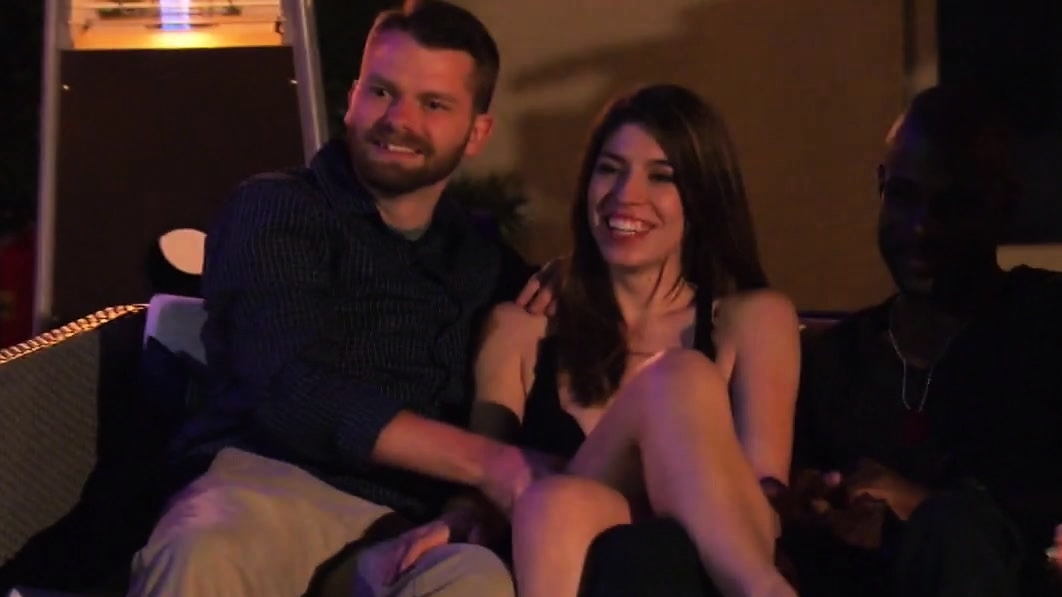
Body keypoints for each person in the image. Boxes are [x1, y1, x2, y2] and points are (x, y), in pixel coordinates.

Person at [125, 2, 559, 596]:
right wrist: (489, 464)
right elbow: (288, 388)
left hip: (410, 524)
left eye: (433, 104)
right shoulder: (278, 209)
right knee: (204, 550)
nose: (398, 120)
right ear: (352, 98)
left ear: (477, 132)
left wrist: (580, 278)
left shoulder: (484, 261)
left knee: (475, 581)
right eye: (382, 92)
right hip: (264, 490)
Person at [371, 84, 802, 597]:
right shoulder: (522, 329)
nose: (626, 195)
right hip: (568, 550)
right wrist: (457, 519)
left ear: (702, 197)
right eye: (610, 169)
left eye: (661, 176)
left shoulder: (752, 320)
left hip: (709, 565)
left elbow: (765, 502)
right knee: (552, 502)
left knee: (677, 379)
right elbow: (484, 471)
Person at [790, 84, 1062, 597]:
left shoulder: (1044, 326)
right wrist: (814, 504)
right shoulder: (836, 360)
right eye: (904, 196)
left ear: (1006, 206)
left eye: (953, 205)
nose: (921, 229)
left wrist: (918, 506)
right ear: (880, 187)